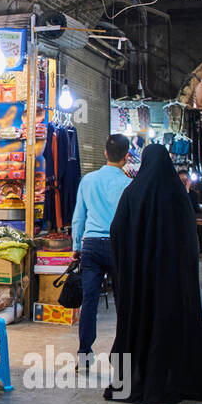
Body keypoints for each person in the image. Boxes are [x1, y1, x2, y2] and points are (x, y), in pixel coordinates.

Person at [104, 144, 202, 404]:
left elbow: (116, 231)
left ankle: (133, 380)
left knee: (139, 322)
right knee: (172, 325)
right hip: (173, 283)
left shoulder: (133, 193)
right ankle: (177, 381)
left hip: (140, 282)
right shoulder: (179, 196)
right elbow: (190, 243)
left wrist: (131, 262)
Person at [70, 134, 132, 365]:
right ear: (126, 158)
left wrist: (77, 246)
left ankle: (84, 353)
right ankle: (122, 355)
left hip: (92, 246)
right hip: (118, 247)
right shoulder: (128, 184)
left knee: (89, 301)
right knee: (123, 301)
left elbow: (79, 217)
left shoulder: (88, 180)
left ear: (105, 153)